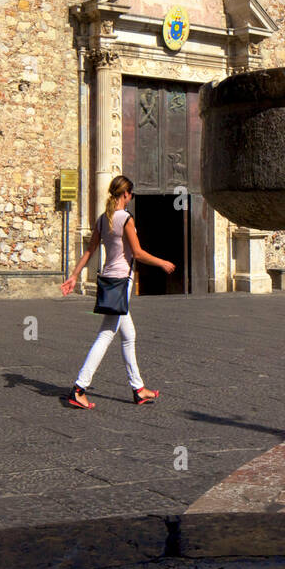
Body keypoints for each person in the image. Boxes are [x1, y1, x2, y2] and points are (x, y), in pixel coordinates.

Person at [60, 175, 175, 409]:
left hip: (109, 280)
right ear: (126, 194)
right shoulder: (125, 219)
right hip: (122, 281)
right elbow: (138, 253)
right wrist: (162, 262)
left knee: (129, 335)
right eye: (131, 194)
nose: (131, 198)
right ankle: (79, 388)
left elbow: (90, 250)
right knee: (106, 334)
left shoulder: (104, 219)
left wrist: (74, 276)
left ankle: (138, 388)